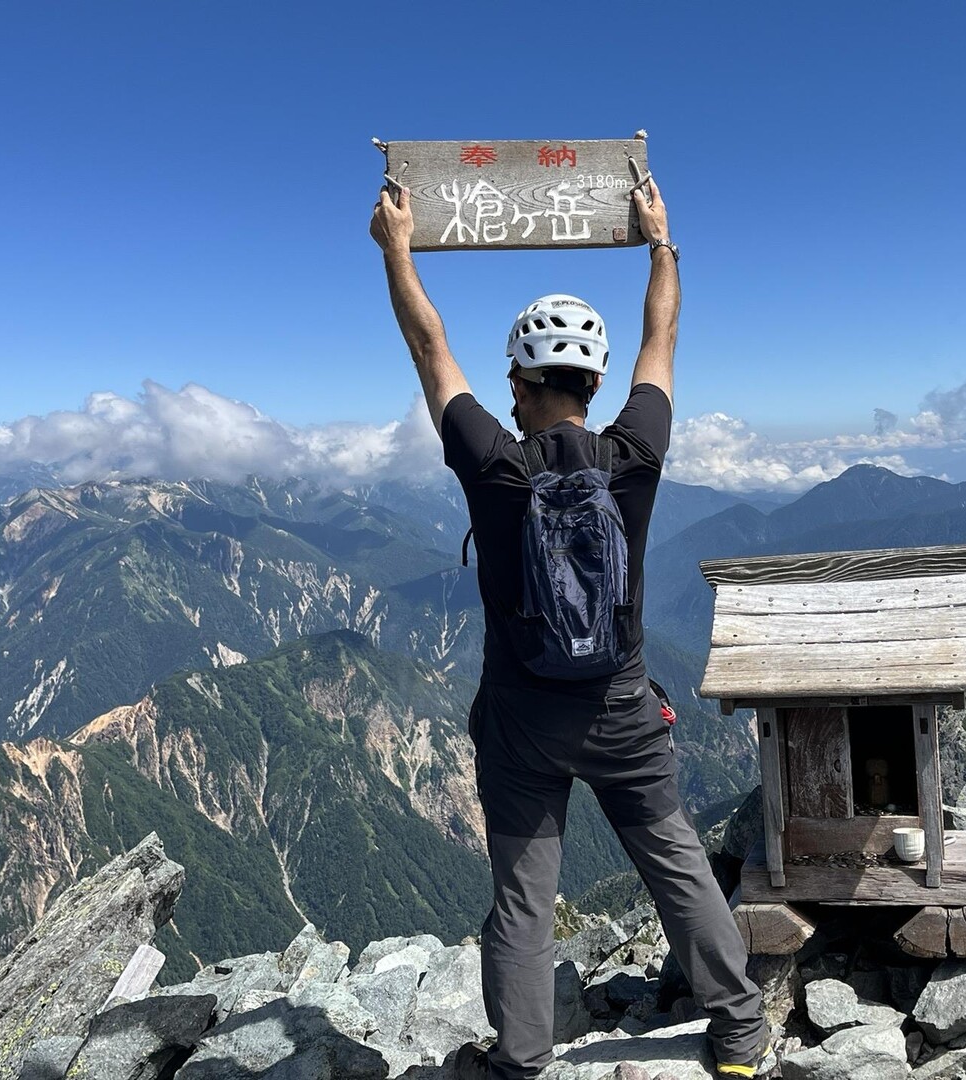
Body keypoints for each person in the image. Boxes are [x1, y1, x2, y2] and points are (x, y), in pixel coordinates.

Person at [369, 175, 767, 1080]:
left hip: (520, 716)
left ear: (518, 379)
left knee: (522, 901)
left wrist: (397, 248)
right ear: (592, 381)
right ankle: (739, 1033)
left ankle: (520, 1064)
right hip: (623, 706)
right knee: (675, 864)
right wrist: (660, 239)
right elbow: (662, 336)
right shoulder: (636, 455)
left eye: (510, 377)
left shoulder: (493, 465)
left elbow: (429, 346)